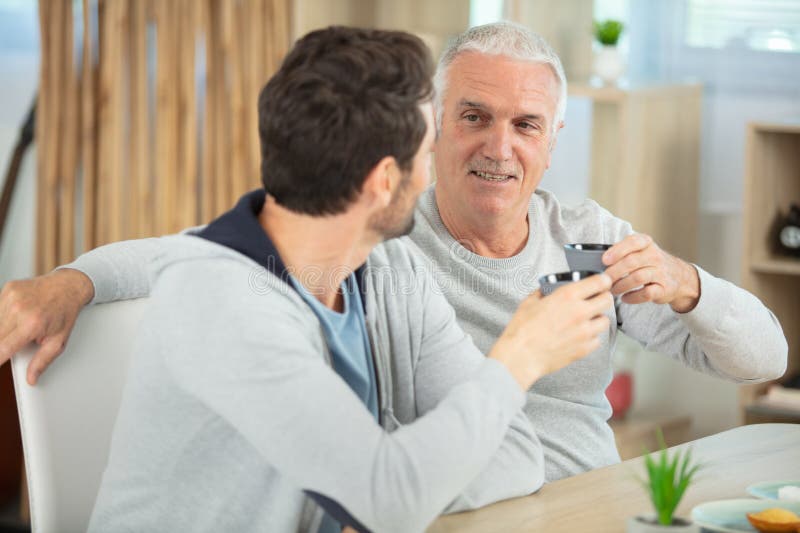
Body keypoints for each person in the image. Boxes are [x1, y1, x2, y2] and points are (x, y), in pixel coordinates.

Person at [0, 21, 786, 487]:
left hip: (579, 504)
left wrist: (689, 287)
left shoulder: (583, 238)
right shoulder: (382, 235)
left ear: (553, 143)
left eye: (526, 125)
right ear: (431, 128)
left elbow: (763, 360)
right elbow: (196, 256)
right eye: (474, 116)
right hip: (449, 503)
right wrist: (73, 280)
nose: (499, 148)